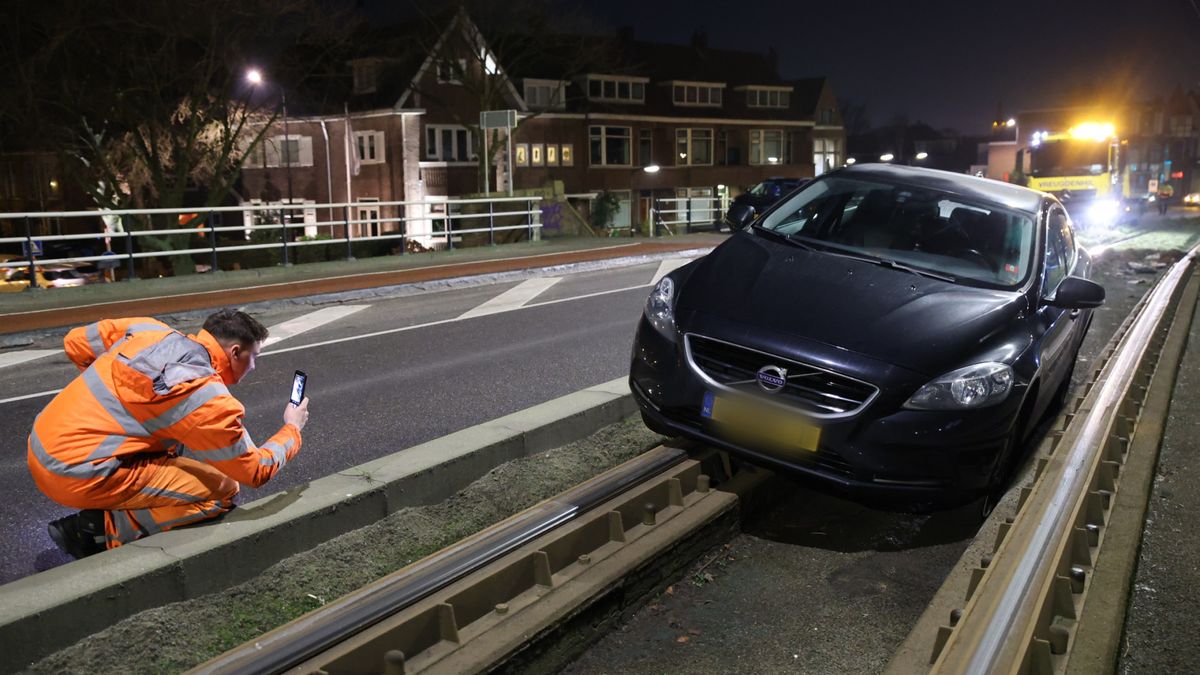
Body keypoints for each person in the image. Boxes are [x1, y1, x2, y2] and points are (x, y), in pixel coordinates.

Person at [28, 309, 309, 559]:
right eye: (254, 356)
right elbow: (254, 471)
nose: (254, 366)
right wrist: (292, 428)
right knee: (222, 490)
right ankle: (95, 531)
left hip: (41, 441)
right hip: (74, 473)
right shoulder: (204, 397)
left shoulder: (148, 329)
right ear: (235, 352)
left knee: (176, 446)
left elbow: (75, 342)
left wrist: (107, 392)